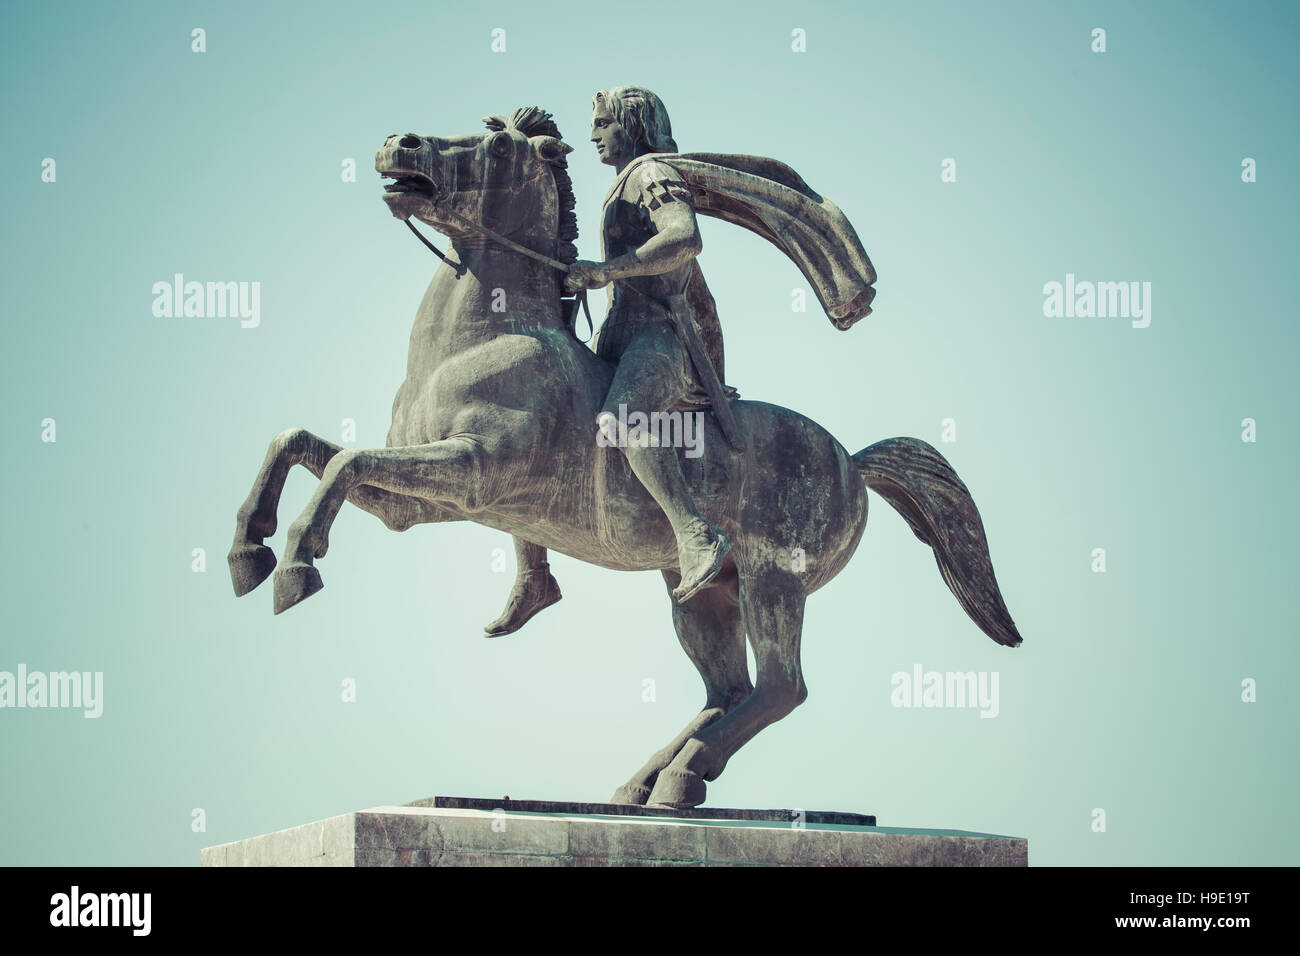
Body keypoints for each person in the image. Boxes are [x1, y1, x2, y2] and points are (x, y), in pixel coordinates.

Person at [484, 86, 733, 637]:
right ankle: (535, 576)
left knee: (622, 419)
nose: (595, 134)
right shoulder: (620, 183)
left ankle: (696, 535)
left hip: (660, 339)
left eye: (603, 123)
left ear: (633, 124)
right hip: (620, 337)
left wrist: (607, 270)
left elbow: (684, 238)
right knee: (535, 429)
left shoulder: (649, 172)